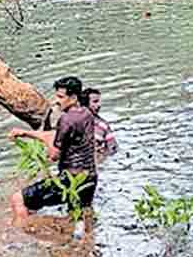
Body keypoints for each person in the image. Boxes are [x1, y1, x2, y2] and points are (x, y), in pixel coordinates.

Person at [8, 76, 98, 229]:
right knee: (79, 215)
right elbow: (63, 138)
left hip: (70, 178)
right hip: (90, 177)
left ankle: (21, 238)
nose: (57, 100)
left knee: (18, 199)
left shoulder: (66, 119)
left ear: (74, 97)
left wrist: (34, 139)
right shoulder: (87, 113)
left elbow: (54, 154)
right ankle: (83, 246)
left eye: (61, 97)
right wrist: (26, 133)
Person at [81, 87, 118, 160]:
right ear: (85, 103)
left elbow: (113, 148)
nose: (99, 105)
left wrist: (103, 153)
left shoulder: (103, 125)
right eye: (95, 101)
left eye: (99, 101)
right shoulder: (74, 121)